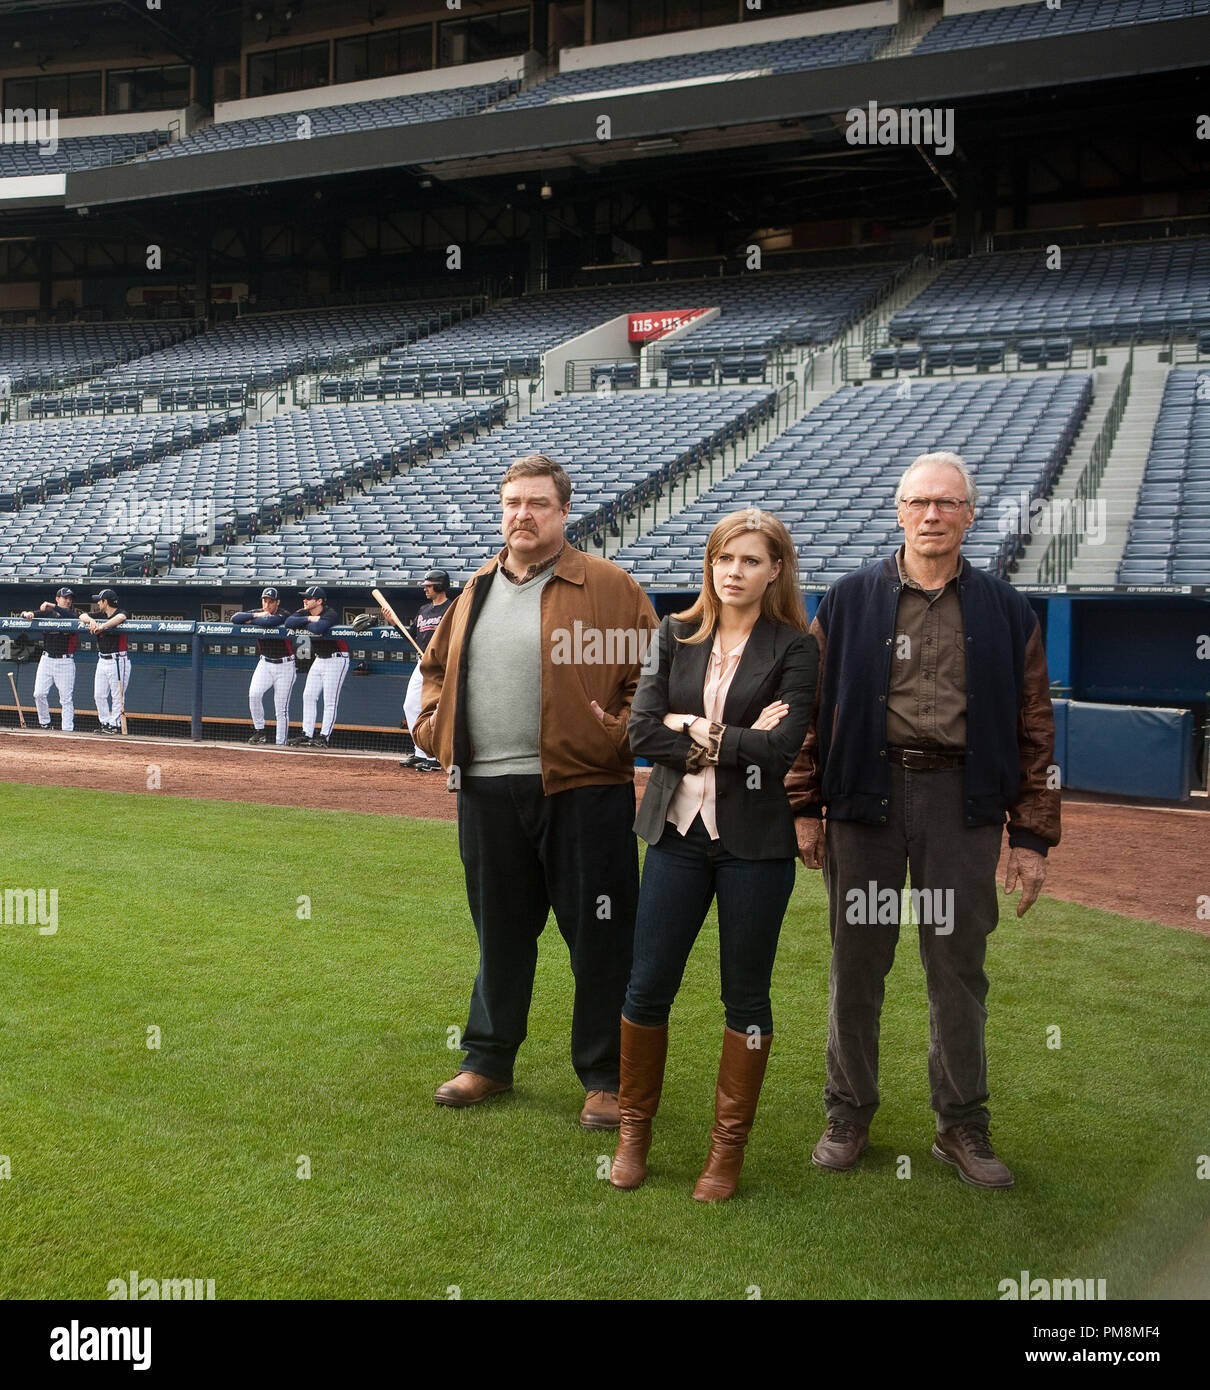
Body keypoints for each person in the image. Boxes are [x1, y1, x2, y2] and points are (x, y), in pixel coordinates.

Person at [787, 451, 1060, 1190]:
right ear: (899, 511)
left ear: (969, 515)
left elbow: (1036, 726)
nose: (933, 515)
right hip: (864, 801)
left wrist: (1031, 836)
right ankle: (848, 1111)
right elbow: (810, 714)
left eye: (947, 503)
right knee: (858, 962)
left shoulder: (1005, 609)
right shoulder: (846, 601)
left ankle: (961, 1125)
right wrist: (804, 806)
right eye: (919, 502)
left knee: (957, 968)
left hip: (962, 804)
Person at [413, 453, 658, 1129]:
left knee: (601, 936)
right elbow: (434, 673)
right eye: (513, 503)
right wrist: (433, 728)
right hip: (486, 792)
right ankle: (487, 1061)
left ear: (563, 512)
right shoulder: (475, 588)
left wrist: (612, 739)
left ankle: (606, 1077)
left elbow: (653, 685)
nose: (523, 515)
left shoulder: (607, 586)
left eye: (538, 504)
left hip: (583, 793)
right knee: (501, 934)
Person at [610, 509, 819, 1202]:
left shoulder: (795, 648)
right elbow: (639, 729)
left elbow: (779, 751)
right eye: (725, 558)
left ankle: (726, 1153)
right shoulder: (673, 633)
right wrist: (719, 731)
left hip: (755, 847)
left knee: (747, 996)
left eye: (751, 561)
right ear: (710, 564)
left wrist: (689, 727)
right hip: (675, 836)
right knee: (647, 985)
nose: (735, 572)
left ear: (775, 570)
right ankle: (633, 1132)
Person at [400, 568, 453, 772]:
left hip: (442, 664)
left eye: (429, 585)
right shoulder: (423, 610)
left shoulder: (451, 608)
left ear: (440, 586)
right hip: (422, 662)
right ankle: (421, 751)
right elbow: (412, 637)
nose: (425, 589)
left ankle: (437, 756)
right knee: (410, 705)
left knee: (439, 709)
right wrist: (394, 624)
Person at [284, 587, 348, 749]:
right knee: (308, 695)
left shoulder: (330, 613)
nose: (305, 600)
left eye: (308, 598)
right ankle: (307, 733)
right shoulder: (304, 612)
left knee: (330, 701)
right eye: (304, 598)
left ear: (319, 601)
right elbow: (288, 623)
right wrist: (310, 619)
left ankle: (324, 736)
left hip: (337, 657)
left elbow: (319, 629)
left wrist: (307, 622)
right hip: (320, 658)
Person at [233, 587, 295, 746]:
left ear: (277, 602)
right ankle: (260, 731)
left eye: (271, 601)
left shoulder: (284, 614)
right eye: (265, 601)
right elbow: (235, 618)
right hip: (265, 663)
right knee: (254, 694)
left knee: (281, 708)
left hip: (285, 665)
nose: (267, 604)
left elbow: (271, 621)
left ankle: (281, 743)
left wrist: (252, 620)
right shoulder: (259, 611)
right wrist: (257, 615)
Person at [20, 586, 81, 731]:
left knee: (65, 699)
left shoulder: (74, 613)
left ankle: (67, 730)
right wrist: (26, 614)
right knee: (39, 694)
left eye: (69, 598)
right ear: (57, 599)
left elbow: (73, 618)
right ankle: (45, 723)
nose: (68, 601)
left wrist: (52, 606)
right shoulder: (48, 613)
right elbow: (25, 614)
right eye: (65, 598)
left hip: (65, 661)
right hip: (46, 659)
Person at [82, 589, 130, 735]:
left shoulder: (120, 612)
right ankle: (105, 723)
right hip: (102, 660)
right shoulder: (100, 615)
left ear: (106, 602)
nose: (97, 603)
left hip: (118, 659)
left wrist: (102, 627)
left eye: (100, 600)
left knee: (117, 695)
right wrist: (91, 620)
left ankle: (114, 725)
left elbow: (121, 617)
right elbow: (82, 615)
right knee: (99, 694)